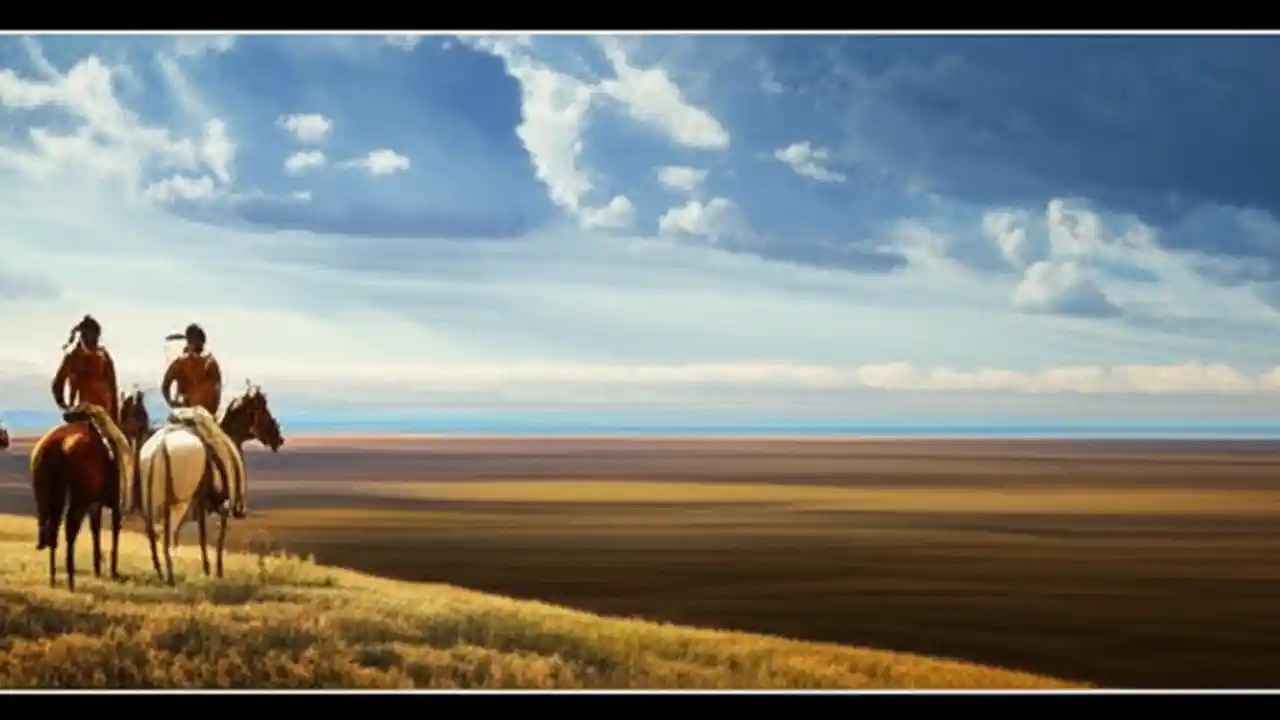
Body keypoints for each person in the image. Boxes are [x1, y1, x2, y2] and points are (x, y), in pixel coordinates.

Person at [52, 315, 120, 423]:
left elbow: (113, 389)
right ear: (82, 337)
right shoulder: (72, 358)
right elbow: (57, 385)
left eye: (95, 337)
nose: (93, 341)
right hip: (80, 415)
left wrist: (115, 420)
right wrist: (67, 408)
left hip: (103, 416)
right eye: (90, 337)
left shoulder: (104, 357)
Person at [161, 323, 223, 417]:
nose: (199, 345)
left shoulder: (210, 363)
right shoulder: (180, 363)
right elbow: (165, 385)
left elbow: (217, 390)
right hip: (185, 413)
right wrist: (172, 403)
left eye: (200, 342)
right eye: (195, 341)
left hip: (205, 415)